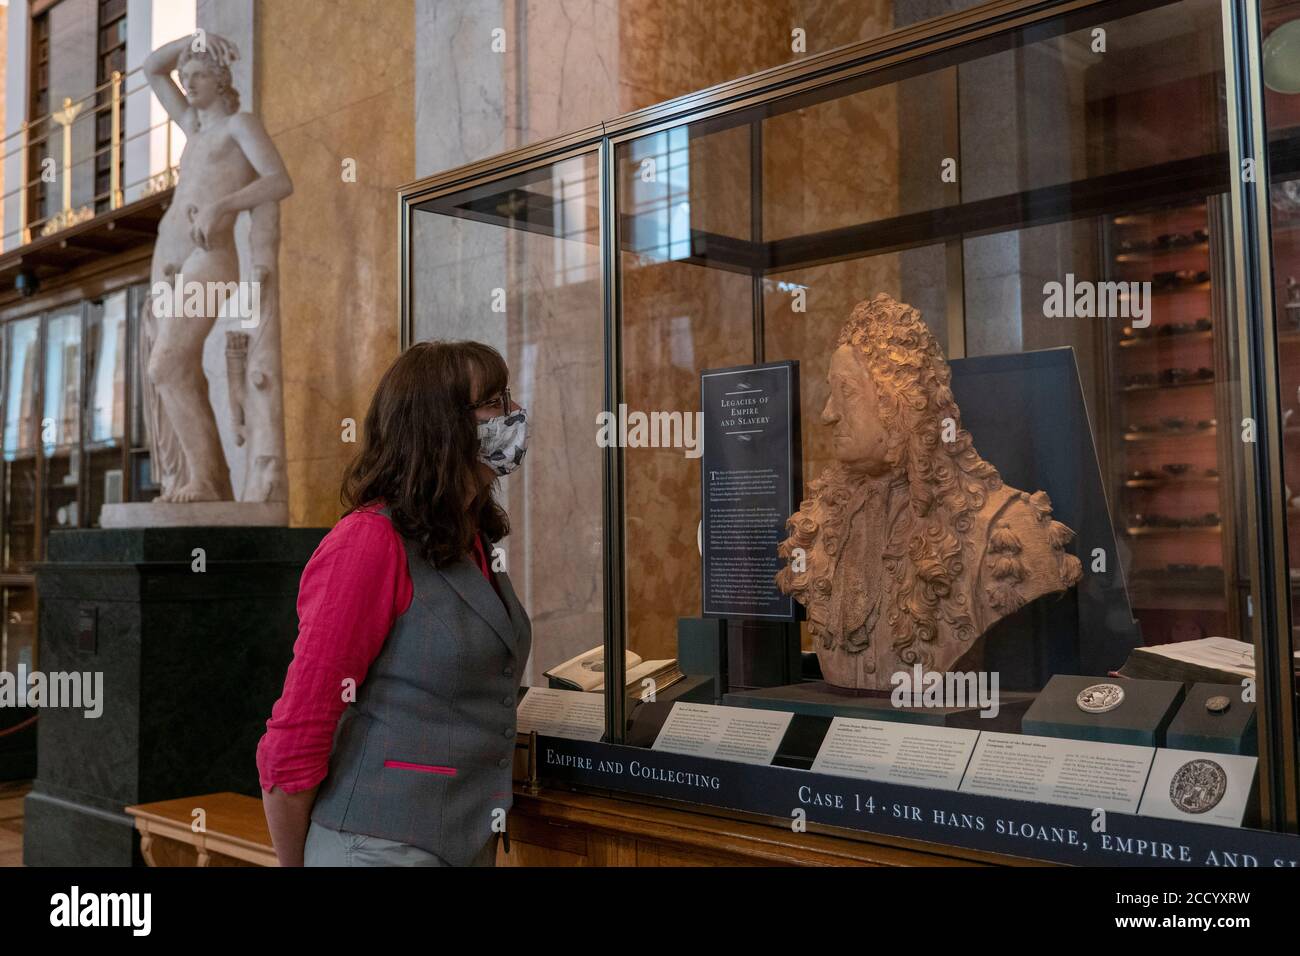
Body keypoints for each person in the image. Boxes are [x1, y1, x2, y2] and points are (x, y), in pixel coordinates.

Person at [256, 340, 532, 866]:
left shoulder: (468, 538)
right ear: (439, 425)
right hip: (374, 848)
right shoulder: (368, 541)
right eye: (494, 402)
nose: (514, 414)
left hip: (464, 845)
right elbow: (296, 735)